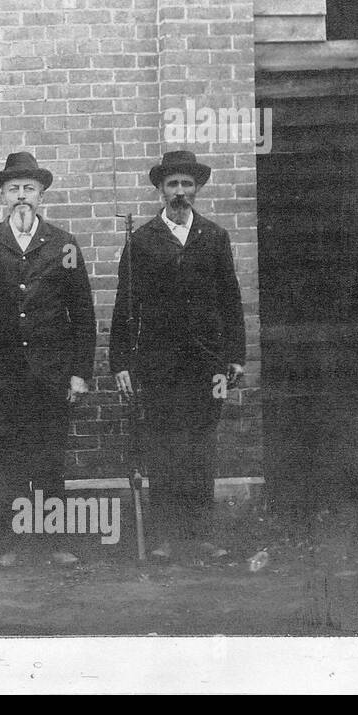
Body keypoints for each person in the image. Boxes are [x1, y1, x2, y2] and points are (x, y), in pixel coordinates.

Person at [0, 152, 96, 566]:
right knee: (10, 459)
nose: (22, 196)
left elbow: (83, 313)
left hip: (52, 372)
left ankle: (55, 541)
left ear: (41, 194)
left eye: (29, 189)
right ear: (2, 195)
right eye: (13, 189)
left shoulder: (63, 244)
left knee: (50, 458)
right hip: (2, 374)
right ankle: (13, 541)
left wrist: (79, 373)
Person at [110, 149, 245, 561]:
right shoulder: (142, 240)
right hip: (158, 364)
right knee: (164, 449)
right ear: (160, 189)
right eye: (173, 185)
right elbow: (124, 308)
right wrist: (121, 363)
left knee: (201, 449)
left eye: (188, 184)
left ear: (198, 188)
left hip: (207, 365)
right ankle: (166, 537)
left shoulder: (214, 236)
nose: (180, 192)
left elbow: (230, 300)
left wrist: (235, 355)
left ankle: (201, 534)